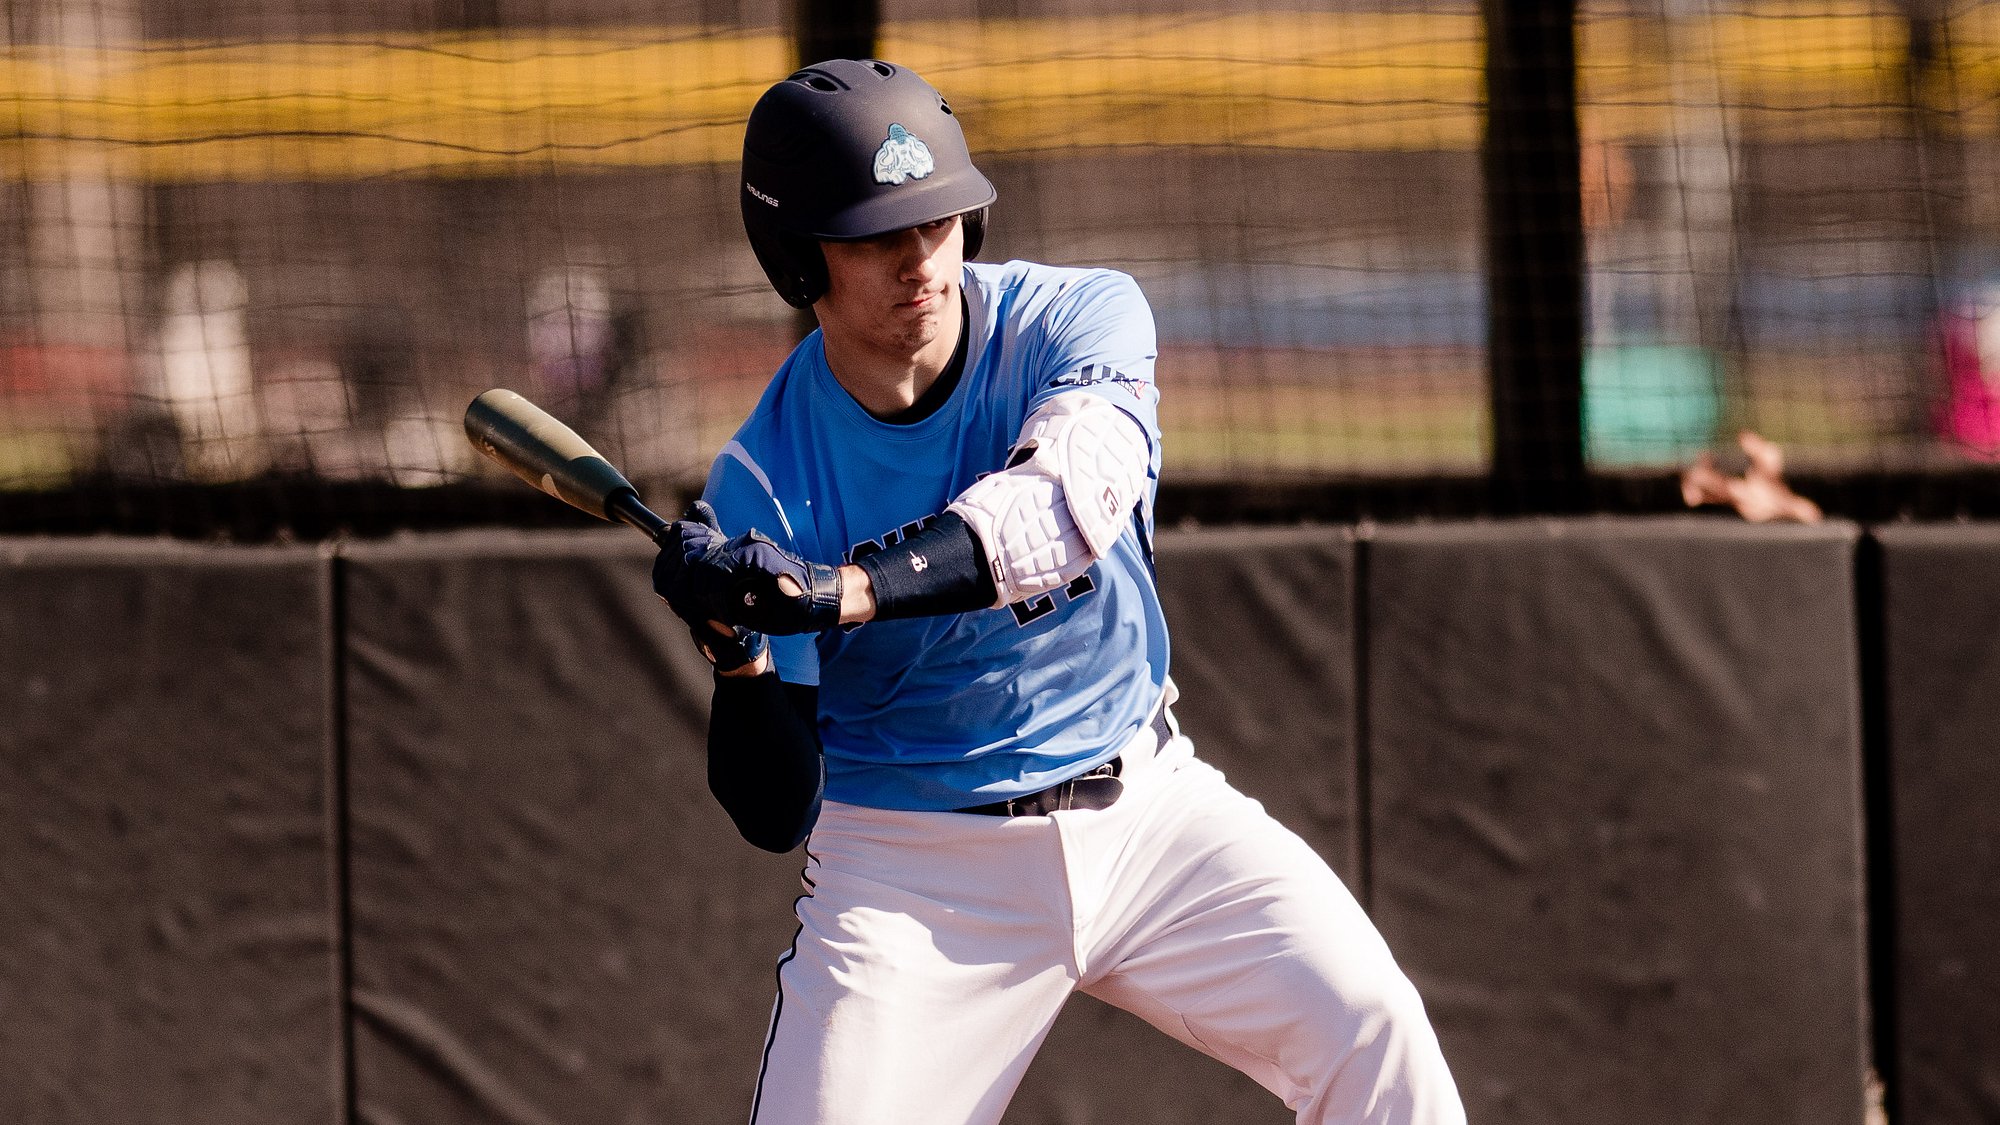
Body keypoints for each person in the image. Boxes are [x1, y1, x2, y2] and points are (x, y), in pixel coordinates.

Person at [651, 58, 1465, 1125]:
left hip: (1149, 814)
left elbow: (1062, 511)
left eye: (937, 220)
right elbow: (773, 810)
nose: (917, 259)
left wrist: (840, 590)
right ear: (798, 258)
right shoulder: (761, 480)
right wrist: (736, 648)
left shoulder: (1075, 318)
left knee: (1373, 1031)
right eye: (872, 235)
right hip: (912, 870)